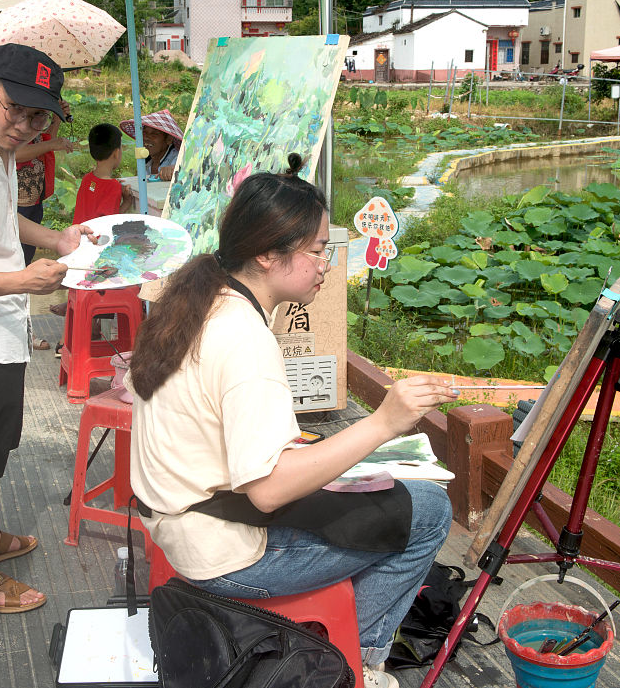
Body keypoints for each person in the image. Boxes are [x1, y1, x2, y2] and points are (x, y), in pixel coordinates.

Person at [128, 158, 457, 688]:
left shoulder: (197, 299)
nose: (326, 263)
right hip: (224, 553)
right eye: (318, 250)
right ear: (267, 254)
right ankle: (356, 658)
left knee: (363, 487)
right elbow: (268, 492)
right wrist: (383, 423)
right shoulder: (243, 338)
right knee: (430, 510)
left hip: (177, 521)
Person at [0, 42, 93, 613]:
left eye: (38, 118)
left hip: (2, 327)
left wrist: (55, 239)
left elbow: (4, 222)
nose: (25, 127)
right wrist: (23, 281)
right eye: (16, 111)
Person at [14, 103, 75, 265]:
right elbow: (15, 153)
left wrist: (56, 118)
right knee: (15, 255)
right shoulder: (18, 119)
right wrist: (51, 144)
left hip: (34, 201)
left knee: (27, 254)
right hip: (17, 203)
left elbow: (46, 140)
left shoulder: (36, 117)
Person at [73, 123, 129, 225]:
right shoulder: (113, 186)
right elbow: (109, 222)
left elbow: (96, 189)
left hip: (78, 232)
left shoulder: (87, 179)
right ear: (116, 153)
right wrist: (126, 202)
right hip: (95, 235)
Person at [119, 109, 183, 181]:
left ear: (169, 139)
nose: (146, 137)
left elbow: (185, 170)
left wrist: (175, 170)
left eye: (154, 134)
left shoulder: (178, 159)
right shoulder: (145, 161)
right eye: (144, 133)